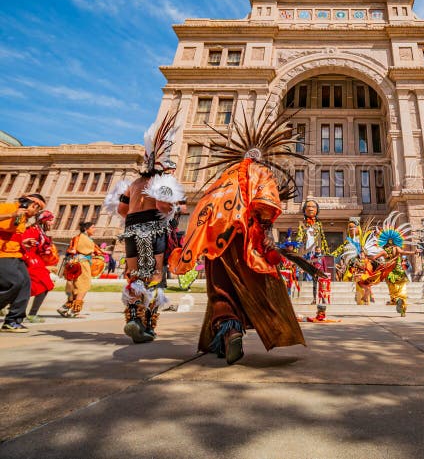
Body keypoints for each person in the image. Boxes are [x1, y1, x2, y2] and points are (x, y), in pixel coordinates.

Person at [173, 107, 319, 365]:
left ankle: (229, 331)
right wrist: (266, 236)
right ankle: (260, 328)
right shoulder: (261, 173)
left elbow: (204, 208)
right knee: (255, 284)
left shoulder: (224, 177)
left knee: (221, 288)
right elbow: (265, 205)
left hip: (215, 238)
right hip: (243, 237)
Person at [109, 110, 185, 342]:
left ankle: (133, 317)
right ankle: (149, 324)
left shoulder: (133, 184)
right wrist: (173, 209)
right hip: (154, 227)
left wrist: (136, 217)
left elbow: (121, 210)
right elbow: (162, 204)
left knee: (135, 276)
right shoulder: (162, 181)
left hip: (132, 228)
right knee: (154, 276)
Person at [0, 194, 46, 333]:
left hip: (16, 254)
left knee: (25, 284)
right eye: (37, 209)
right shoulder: (8, 207)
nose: (36, 213)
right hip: (3, 254)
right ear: (33, 205)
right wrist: (11, 215)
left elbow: (12, 234)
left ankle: (13, 320)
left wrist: (23, 242)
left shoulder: (23, 218)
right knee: (14, 282)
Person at [370, 214, 415, 316]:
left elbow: (374, 258)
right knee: (402, 288)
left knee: (392, 289)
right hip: (399, 270)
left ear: (385, 242)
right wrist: (414, 252)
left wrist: (368, 256)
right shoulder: (396, 248)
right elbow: (404, 252)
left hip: (389, 272)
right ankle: (402, 306)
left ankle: (396, 300)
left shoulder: (384, 251)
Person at [57, 221, 103, 318]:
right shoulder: (85, 239)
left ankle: (65, 307)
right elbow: (95, 251)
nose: (94, 229)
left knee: (76, 286)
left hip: (77, 263)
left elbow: (74, 250)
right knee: (84, 286)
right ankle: (75, 310)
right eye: (93, 227)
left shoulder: (78, 237)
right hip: (83, 264)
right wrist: (95, 253)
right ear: (86, 229)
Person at [21, 210, 59, 323]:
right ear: (43, 220)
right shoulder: (32, 230)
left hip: (37, 261)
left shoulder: (40, 231)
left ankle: (25, 312)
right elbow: (24, 244)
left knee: (40, 286)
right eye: (50, 220)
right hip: (30, 260)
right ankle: (25, 313)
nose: (52, 223)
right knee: (41, 285)